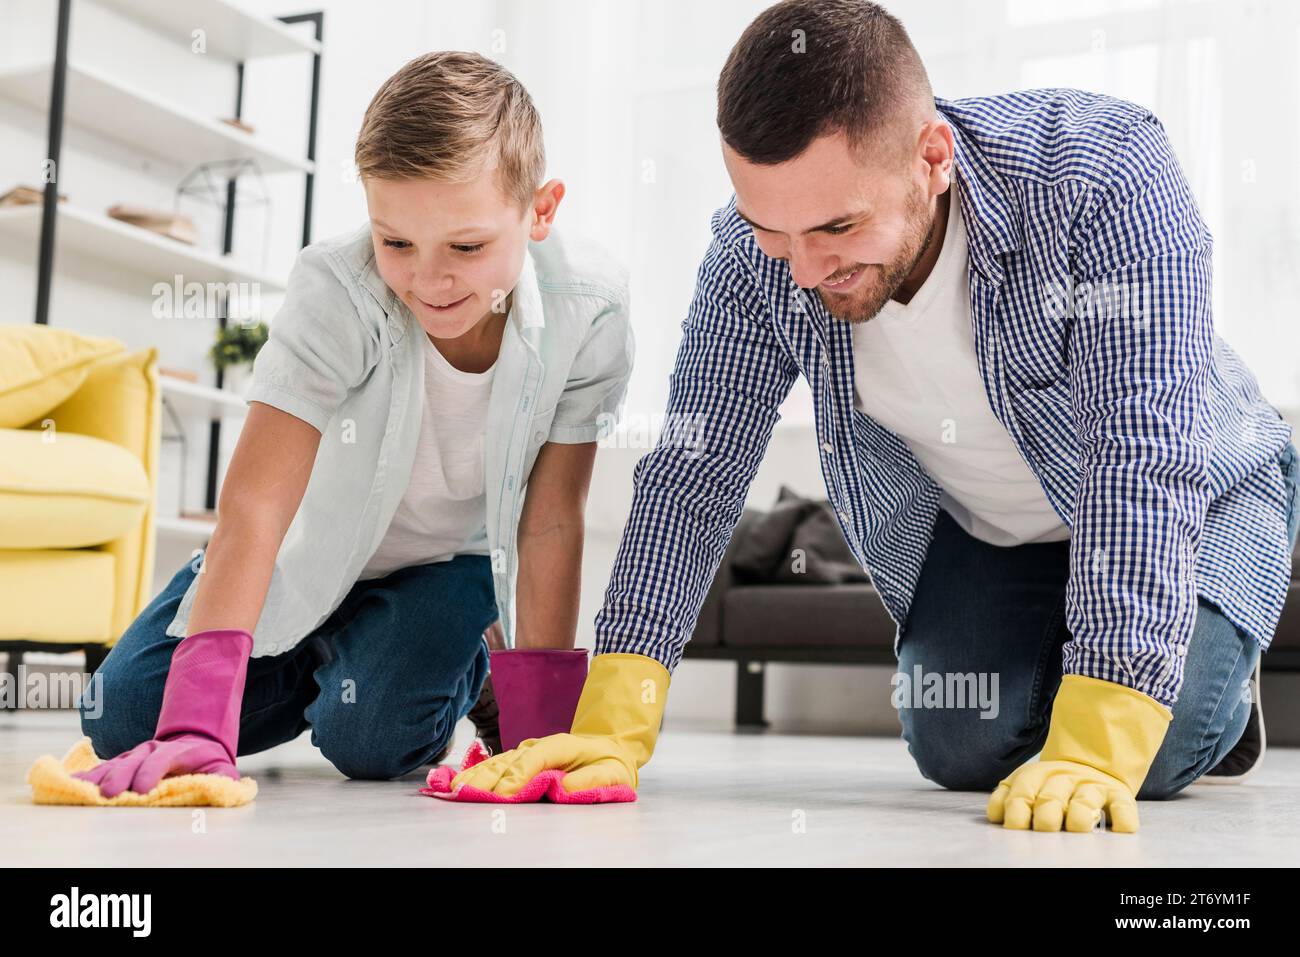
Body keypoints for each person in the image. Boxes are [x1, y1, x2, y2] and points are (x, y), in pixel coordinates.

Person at [450, 0, 1300, 833]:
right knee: (959, 742)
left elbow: (1141, 451)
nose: (805, 271)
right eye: (771, 230)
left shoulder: (1103, 176)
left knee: (1147, 741)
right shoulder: (763, 257)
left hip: (1197, 495)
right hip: (994, 532)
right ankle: (1110, 659)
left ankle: (1213, 677)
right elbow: (692, 474)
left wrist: (1106, 721)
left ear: (933, 157)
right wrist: (611, 722)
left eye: (838, 226)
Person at [75, 51, 633, 796]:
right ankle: (351, 661)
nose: (428, 281)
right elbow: (257, 503)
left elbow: (552, 521)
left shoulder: (588, 313)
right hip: (308, 558)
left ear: (539, 209)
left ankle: (473, 671)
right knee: (123, 715)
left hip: (449, 570)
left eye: (465, 247)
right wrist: (196, 727)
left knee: (369, 738)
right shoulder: (336, 291)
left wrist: (538, 734)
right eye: (395, 241)